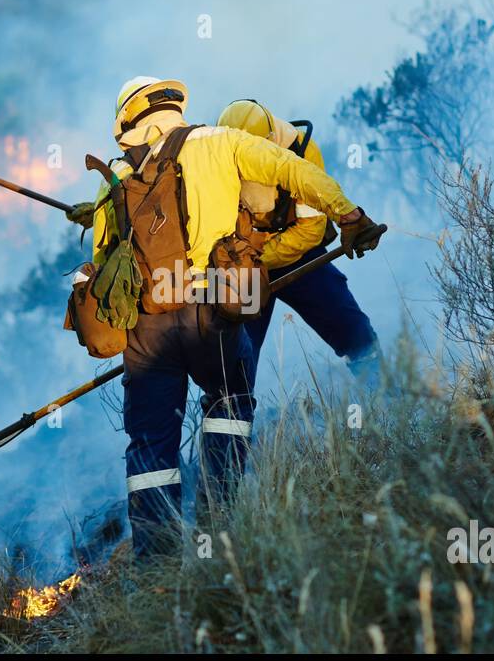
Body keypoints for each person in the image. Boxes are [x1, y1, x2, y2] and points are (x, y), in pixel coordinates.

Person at [81, 78, 378, 557]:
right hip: (213, 308)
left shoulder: (114, 176)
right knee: (229, 403)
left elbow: (103, 258)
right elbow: (297, 174)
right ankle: (223, 527)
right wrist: (350, 215)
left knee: (150, 445)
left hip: (149, 329)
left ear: (128, 120)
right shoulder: (224, 143)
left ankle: (157, 564)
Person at [217, 99, 380, 380]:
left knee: (352, 328)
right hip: (242, 265)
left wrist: (260, 257)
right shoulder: (215, 162)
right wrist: (242, 262)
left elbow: (311, 229)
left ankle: (386, 402)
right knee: (235, 357)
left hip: (295, 253)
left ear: (270, 142)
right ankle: (232, 413)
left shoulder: (301, 153)